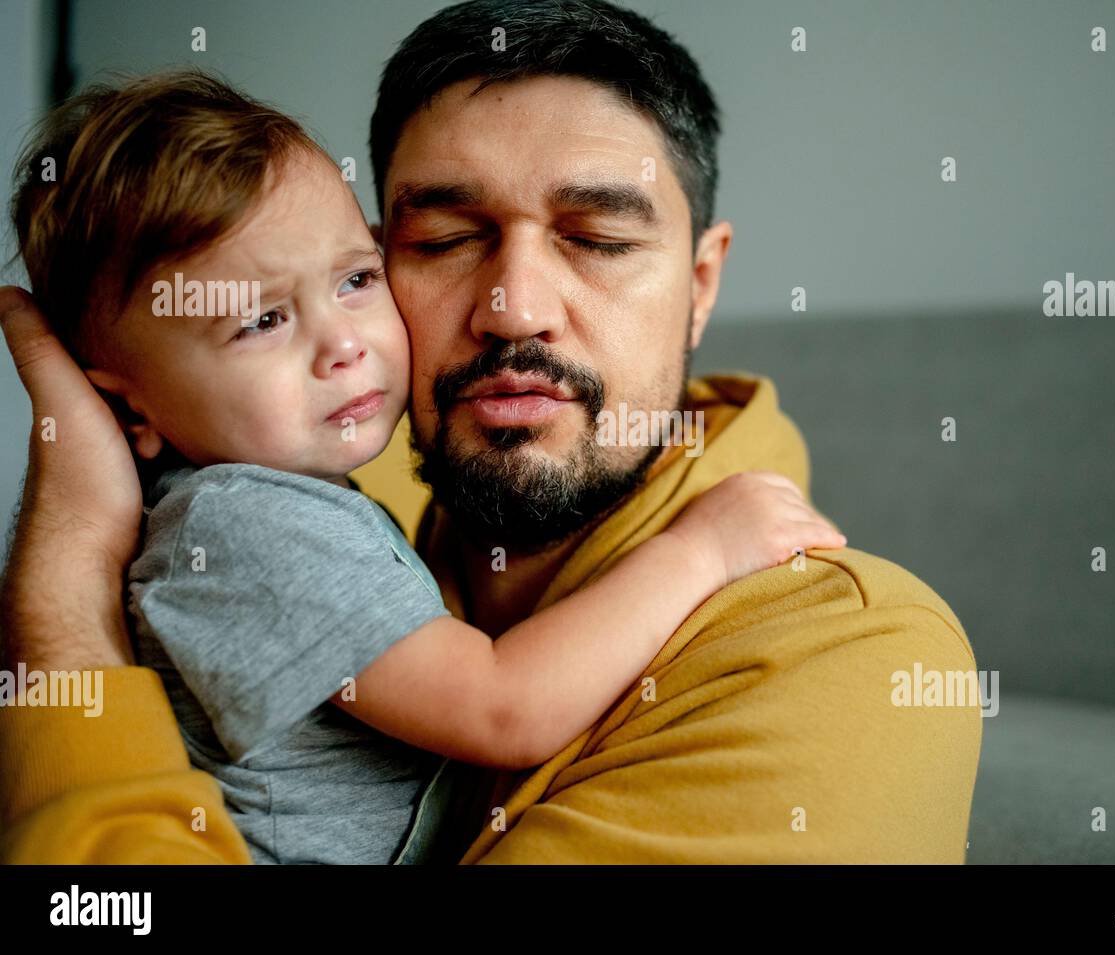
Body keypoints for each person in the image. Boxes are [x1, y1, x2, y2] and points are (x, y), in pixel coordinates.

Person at [0, 0, 982, 864]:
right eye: (443, 241)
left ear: (699, 284)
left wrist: (66, 583)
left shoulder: (847, 656)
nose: (514, 308)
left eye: (595, 240)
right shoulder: (305, 504)